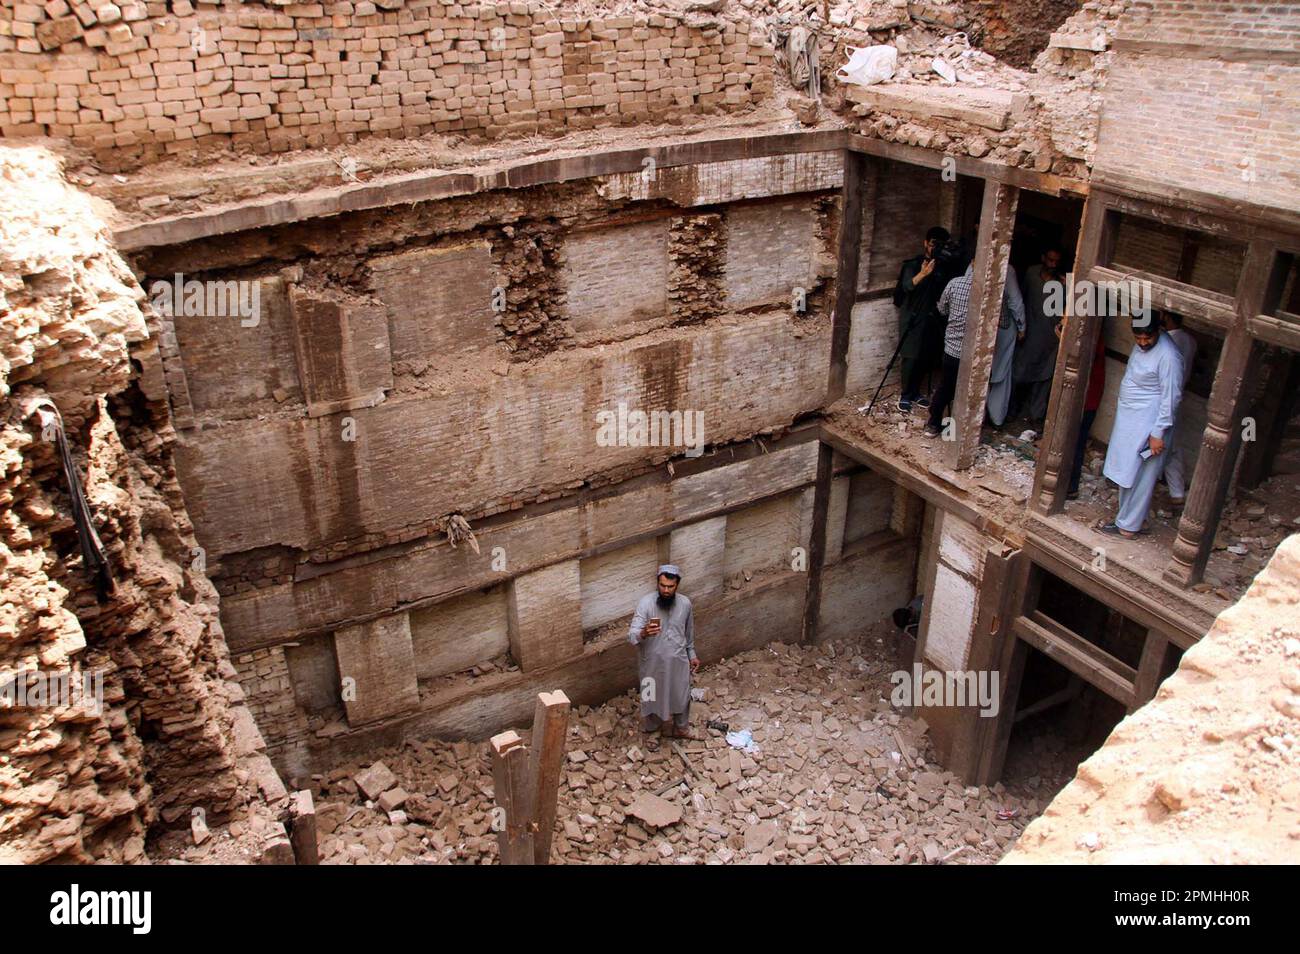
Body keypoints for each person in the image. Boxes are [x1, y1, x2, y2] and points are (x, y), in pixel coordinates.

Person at [1100, 315, 1184, 537]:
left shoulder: (1169, 356)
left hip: (1150, 422)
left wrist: (1158, 433)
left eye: (1148, 338)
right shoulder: (1144, 346)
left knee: (1142, 474)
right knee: (1129, 470)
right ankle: (1133, 519)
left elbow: (1171, 398)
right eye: (1139, 338)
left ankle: (1128, 526)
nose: (1143, 342)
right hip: (1132, 419)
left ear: (1158, 331)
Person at [627, 565, 699, 739]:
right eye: (662, 585)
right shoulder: (646, 603)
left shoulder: (685, 604)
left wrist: (692, 655)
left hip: (678, 662)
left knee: (681, 695)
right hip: (652, 664)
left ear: (677, 585)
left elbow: (688, 634)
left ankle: (681, 728)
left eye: (670, 587)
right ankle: (653, 731)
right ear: (657, 583)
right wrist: (643, 632)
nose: (666, 590)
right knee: (650, 696)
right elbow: (631, 635)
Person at [893, 226, 952, 412]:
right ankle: (905, 394)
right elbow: (907, 287)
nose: (935, 248)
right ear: (925, 243)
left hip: (931, 317)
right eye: (933, 243)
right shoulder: (913, 265)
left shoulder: (942, 267)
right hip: (912, 316)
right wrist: (923, 274)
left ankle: (916, 392)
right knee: (910, 356)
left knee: (925, 357)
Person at [1014, 248, 1064, 427]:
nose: (1053, 265)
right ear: (1043, 258)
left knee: (1043, 379)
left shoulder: (1063, 284)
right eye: (1050, 260)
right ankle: (1012, 410)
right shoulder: (1031, 274)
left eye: (1056, 262)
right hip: (1028, 334)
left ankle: (1035, 417)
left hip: (1049, 340)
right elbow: (1020, 298)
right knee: (1019, 374)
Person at [924, 261, 974, 437]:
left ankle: (934, 423)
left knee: (946, 386)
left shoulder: (954, 283)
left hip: (952, 349)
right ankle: (959, 431)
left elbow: (942, 309)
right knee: (968, 391)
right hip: (975, 354)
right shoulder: (994, 292)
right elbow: (1003, 322)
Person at [1066, 323, 1108, 501]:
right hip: (1085, 398)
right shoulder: (1093, 339)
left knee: (1074, 442)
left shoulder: (1090, 341)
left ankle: (1070, 486)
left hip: (1085, 399)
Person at [1160, 312, 1197, 506]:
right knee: (1174, 447)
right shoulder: (1190, 340)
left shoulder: (1167, 342)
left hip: (1163, 399)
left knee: (1160, 444)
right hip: (1179, 396)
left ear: (1165, 317)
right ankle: (1177, 492)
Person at [986, 265, 1026, 427]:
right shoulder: (1007, 269)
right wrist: (1022, 327)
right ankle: (996, 418)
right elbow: (1016, 301)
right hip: (1002, 328)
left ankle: (978, 417)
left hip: (980, 326)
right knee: (1000, 374)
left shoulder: (974, 264)